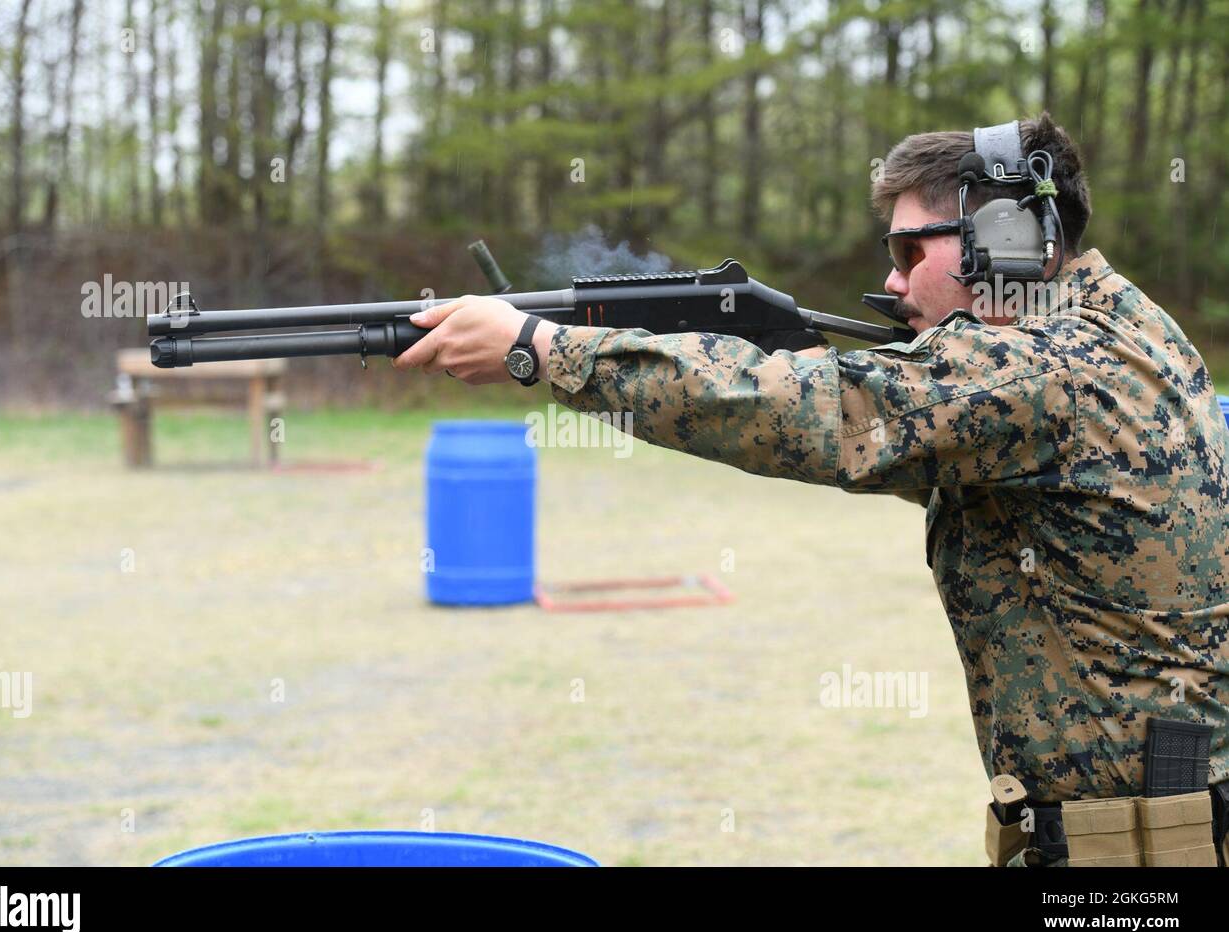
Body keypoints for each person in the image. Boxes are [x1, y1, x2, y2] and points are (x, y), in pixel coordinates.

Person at [392, 113, 1229, 866]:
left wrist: (543, 349)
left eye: (912, 251)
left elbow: (823, 415)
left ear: (1005, 240)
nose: (894, 283)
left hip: (1140, 867)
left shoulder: (1054, 367)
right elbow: (898, 432)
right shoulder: (1123, 329)